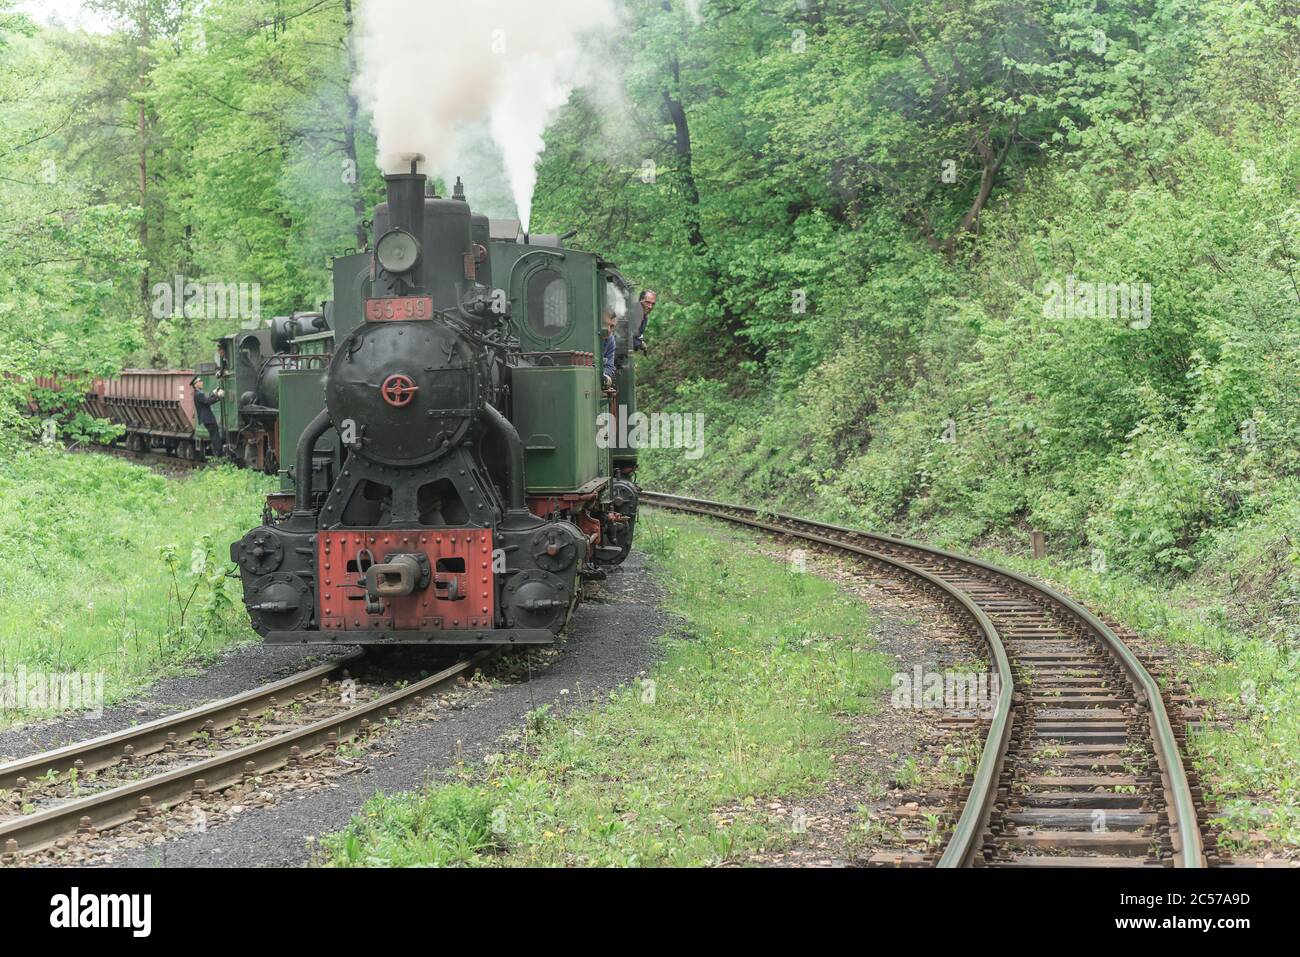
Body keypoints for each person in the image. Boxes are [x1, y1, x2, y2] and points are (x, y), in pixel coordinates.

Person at [191, 376, 226, 458]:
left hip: (206, 419)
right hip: (208, 418)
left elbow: (206, 399)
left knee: (214, 435)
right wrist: (218, 396)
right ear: (195, 385)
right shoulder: (199, 394)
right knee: (215, 435)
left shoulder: (198, 393)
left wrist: (214, 393)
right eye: (199, 382)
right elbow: (207, 401)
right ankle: (219, 454)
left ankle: (218, 453)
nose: (202, 383)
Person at [601, 309, 618, 390]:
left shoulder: (611, 341)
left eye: (612, 326)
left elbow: (609, 367)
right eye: (605, 324)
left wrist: (603, 375)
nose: (608, 330)